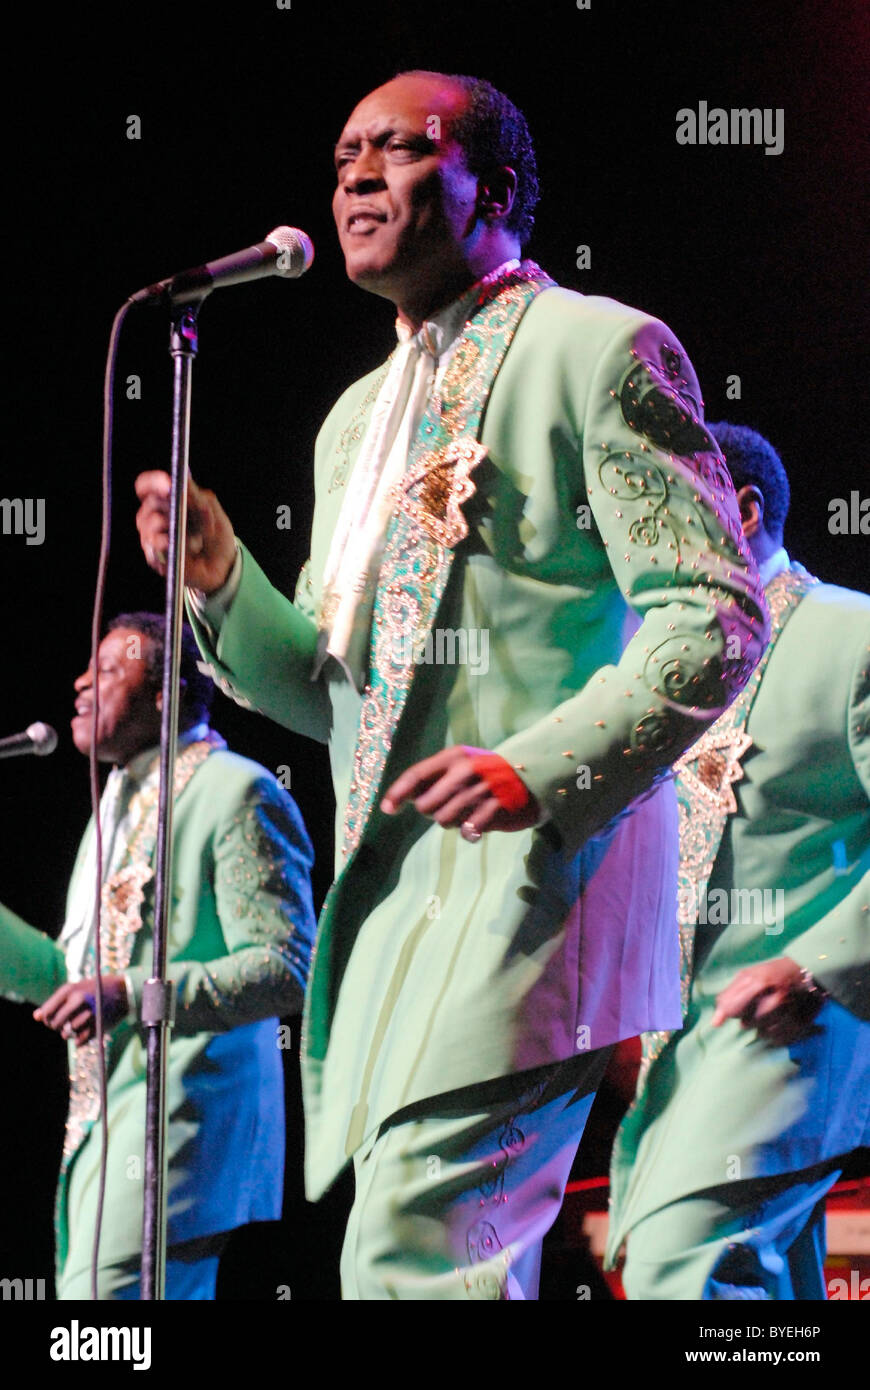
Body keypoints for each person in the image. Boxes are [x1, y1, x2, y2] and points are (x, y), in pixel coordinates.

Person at [135, 71, 768, 1299]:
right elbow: (333, 698)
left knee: (413, 1259)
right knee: (417, 1270)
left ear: (500, 189)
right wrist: (223, 584)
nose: (357, 174)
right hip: (396, 914)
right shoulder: (354, 420)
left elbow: (715, 617)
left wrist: (532, 767)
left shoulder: (600, 349)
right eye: (342, 154)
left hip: (539, 891)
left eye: (397, 148)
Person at [607, 422, 870, 1300]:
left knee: (681, 1272)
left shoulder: (851, 635)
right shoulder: (654, 673)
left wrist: (815, 967)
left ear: (744, 508)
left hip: (801, 1030)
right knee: (764, 1295)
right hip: (680, 1049)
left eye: (665, 505)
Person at [0, 613, 316, 1299]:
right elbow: (71, 981)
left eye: (110, 669)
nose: (82, 681)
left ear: (165, 695)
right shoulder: (114, 806)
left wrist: (133, 995)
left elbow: (288, 967)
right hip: (104, 1118)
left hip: (184, 1121)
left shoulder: (239, 789)